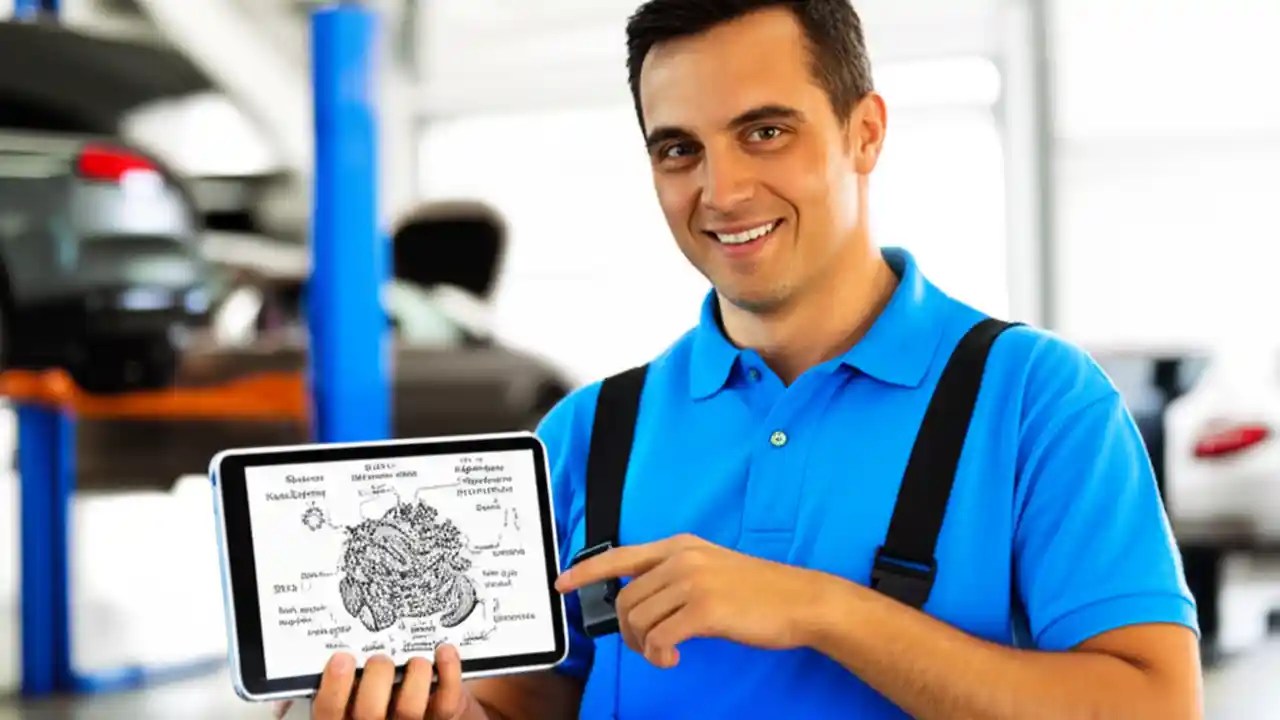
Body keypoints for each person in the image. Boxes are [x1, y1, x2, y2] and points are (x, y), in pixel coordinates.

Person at [298, 1, 1203, 717]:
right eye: (679, 149)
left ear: (865, 133)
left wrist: (821, 609)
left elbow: (1153, 705)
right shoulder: (586, 432)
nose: (722, 191)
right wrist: (442, 712)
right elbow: (542, 699)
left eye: (765, 132)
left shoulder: (1036, 401)